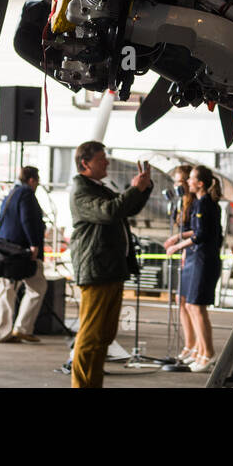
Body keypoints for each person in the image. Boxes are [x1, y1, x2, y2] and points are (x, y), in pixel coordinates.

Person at [68, 141, 151, 388]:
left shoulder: (97, 188)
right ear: (85, 163)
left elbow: (125, 207)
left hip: (109, 269)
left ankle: (93, 383)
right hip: (97, 270)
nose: (107, 162)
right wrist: (135, 189)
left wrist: (142, 189)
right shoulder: (81, 191)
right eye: (102, 158)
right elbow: (110, 211)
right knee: (90, 336)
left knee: (104, 336)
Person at [167, 165, 222, 373]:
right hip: (198, 258)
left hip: (203, 259)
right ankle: (199, 350)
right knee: (191, 306)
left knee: (196, 306)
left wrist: (178, 245)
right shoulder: (201, 203)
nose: (187, 183)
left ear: (199, 183)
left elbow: (202, 234)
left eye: (189, 179)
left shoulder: (205, 204)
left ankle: (207, 352)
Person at [0, 165, 48, 344]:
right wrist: (33, 245)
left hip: (6, 249)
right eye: (37, 182)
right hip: (23, 251)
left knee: (6, 290)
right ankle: (22, 328)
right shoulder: (26, 194)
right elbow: (28, 219)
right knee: (37, 288)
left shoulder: (10, 193)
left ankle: (2, 332)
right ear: (32, 180)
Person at [162, 163, 195, 363]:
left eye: (179, 181)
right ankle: (189, 344)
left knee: (189, 302)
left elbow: (199, 231)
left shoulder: (194, 204)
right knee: (181, 301)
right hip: (185, 253)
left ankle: (193, 345)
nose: (176, 185)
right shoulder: (180, 204)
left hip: (192, 254)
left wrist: (179, 240)